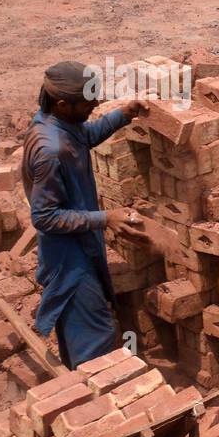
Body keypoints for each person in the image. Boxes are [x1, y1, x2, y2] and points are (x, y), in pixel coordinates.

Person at [22, 61, 149, 369]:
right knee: (97, 340)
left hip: (80, 244)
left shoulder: (58, 124)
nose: (95, 105)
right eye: (88, 102)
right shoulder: (50, 150)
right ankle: (96, 408)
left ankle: (78, 380)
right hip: (68, 259)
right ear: (63, 104)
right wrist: (104, 218)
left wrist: (124, 114)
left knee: (80, 331)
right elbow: (44, 217)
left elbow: (85, 136)